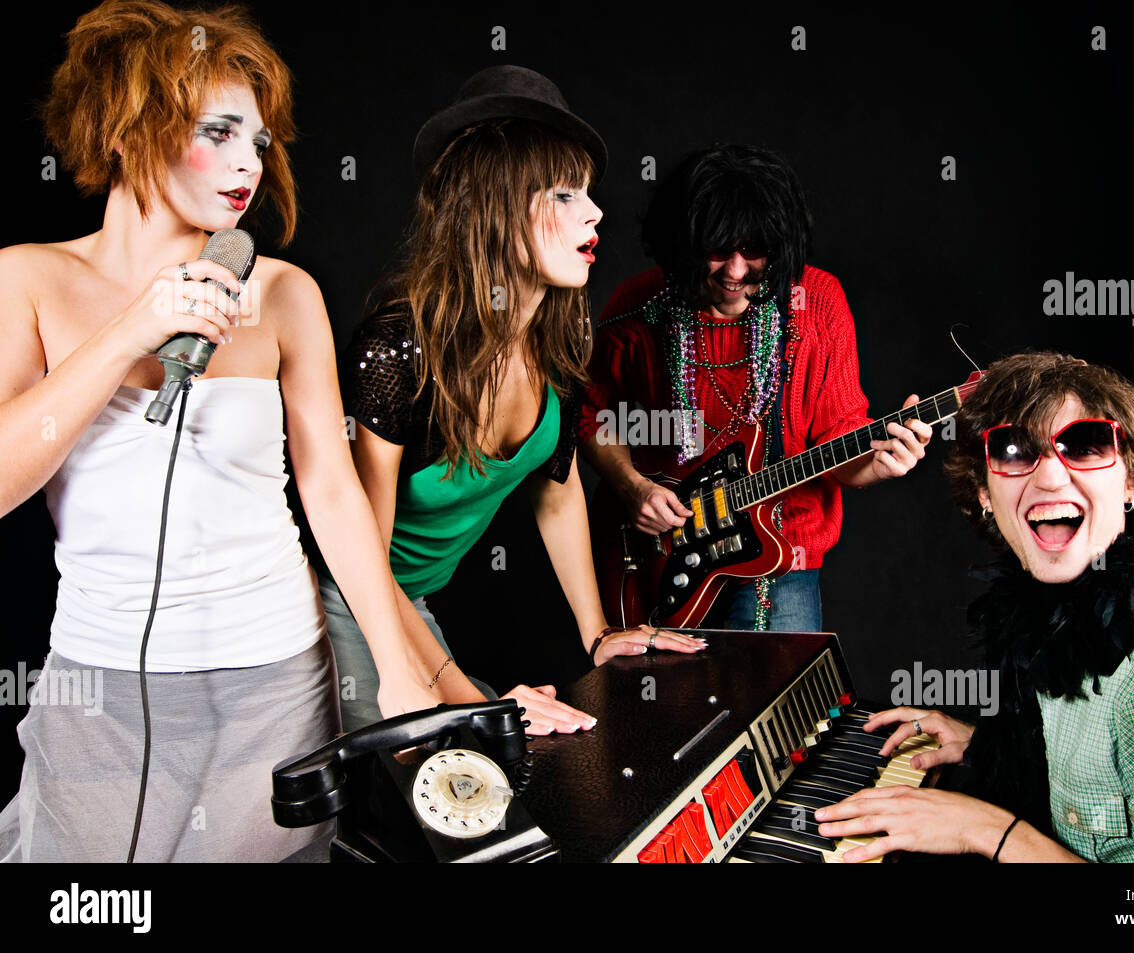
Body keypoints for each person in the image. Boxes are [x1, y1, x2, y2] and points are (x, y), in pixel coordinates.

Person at [0, 0, 453, 862]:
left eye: (260, 140)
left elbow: (331, 492)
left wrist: (398, 663)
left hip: (277, 680)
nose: (250, 162)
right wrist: (129, 333)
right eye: (220, 132)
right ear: (126, 131)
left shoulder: (283, 294)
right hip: (100, 691)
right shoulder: (25, 280)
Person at [323, 65, 705, 733]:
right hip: (342, 600)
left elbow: (557, 489)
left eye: (589, 192)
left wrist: (596, 635)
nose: (595, 212)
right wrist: (469, 699)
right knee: (457, 759)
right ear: (494, 205)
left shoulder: (556, 346)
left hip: (411, 601)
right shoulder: (399, 350)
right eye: (564, 194)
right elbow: (362, 556)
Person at [815, 352, 1134, 862]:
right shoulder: (1062, 620)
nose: (1049, 477)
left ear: (1132, 480)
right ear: (984, 492)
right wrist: (991, 747)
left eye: (1084, 446)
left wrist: (989, 831)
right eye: (1013, 450)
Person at [579, 144, 932, 632]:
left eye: (755, 252)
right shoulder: (640, 306)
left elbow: (839, 434)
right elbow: (592, 413)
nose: (735, 272)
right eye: (716, 251)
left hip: (781, 557)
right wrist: (632, 487)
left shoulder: (817, 304)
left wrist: (879, 462)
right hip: (657, 558)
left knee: (777, 684)